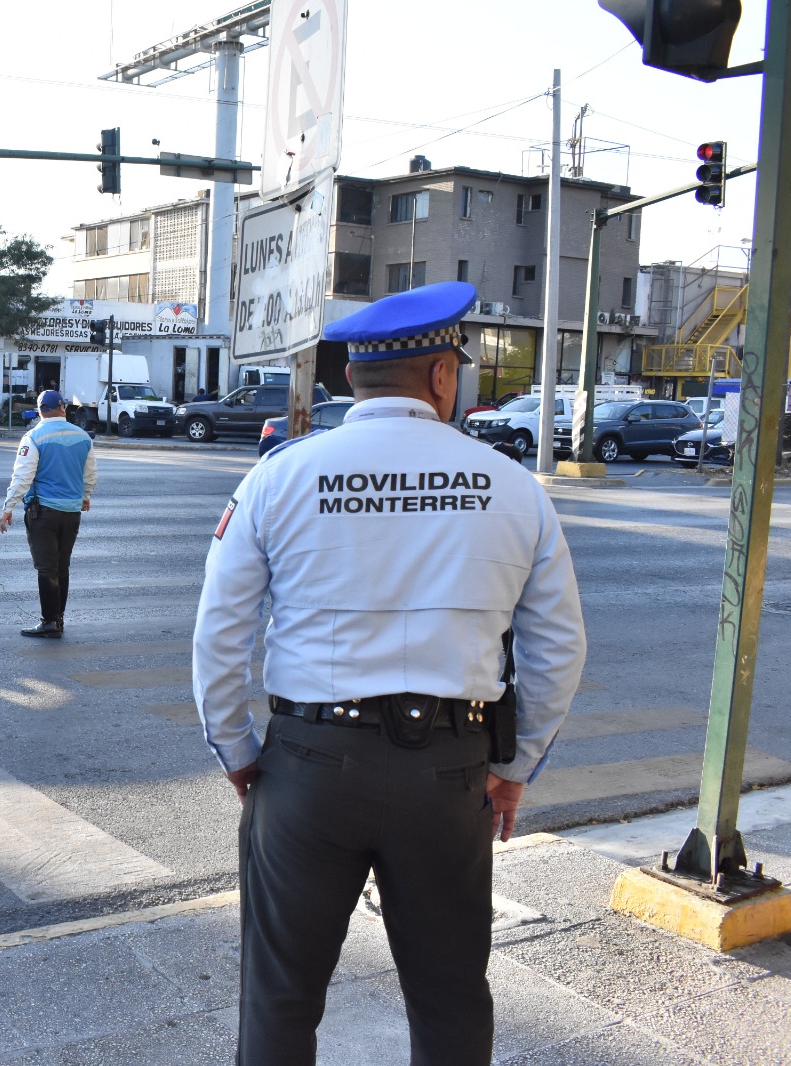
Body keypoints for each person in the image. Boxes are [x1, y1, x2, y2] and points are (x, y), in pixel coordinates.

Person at [191, 280, 586, 1065]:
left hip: (309, 768)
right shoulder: (513, 487)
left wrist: (238, 753)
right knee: (450, 1002)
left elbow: (218, 637)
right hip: (451, 774)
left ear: (348, 379)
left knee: (280, 998)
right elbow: (559, 649)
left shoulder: (278, 476)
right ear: (444, 375)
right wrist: (511, 767)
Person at [0, 389, 97, 638]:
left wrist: (8, 507)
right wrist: (85, 497)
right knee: (62, 566)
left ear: (41, 410)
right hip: (72, 513)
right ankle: (58, 619)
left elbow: (23, 477)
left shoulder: (33, 437)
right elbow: (90, 475)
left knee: (46, 568)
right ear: (63, 408)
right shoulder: (83, 437)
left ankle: (49, 622)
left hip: (43, 513)